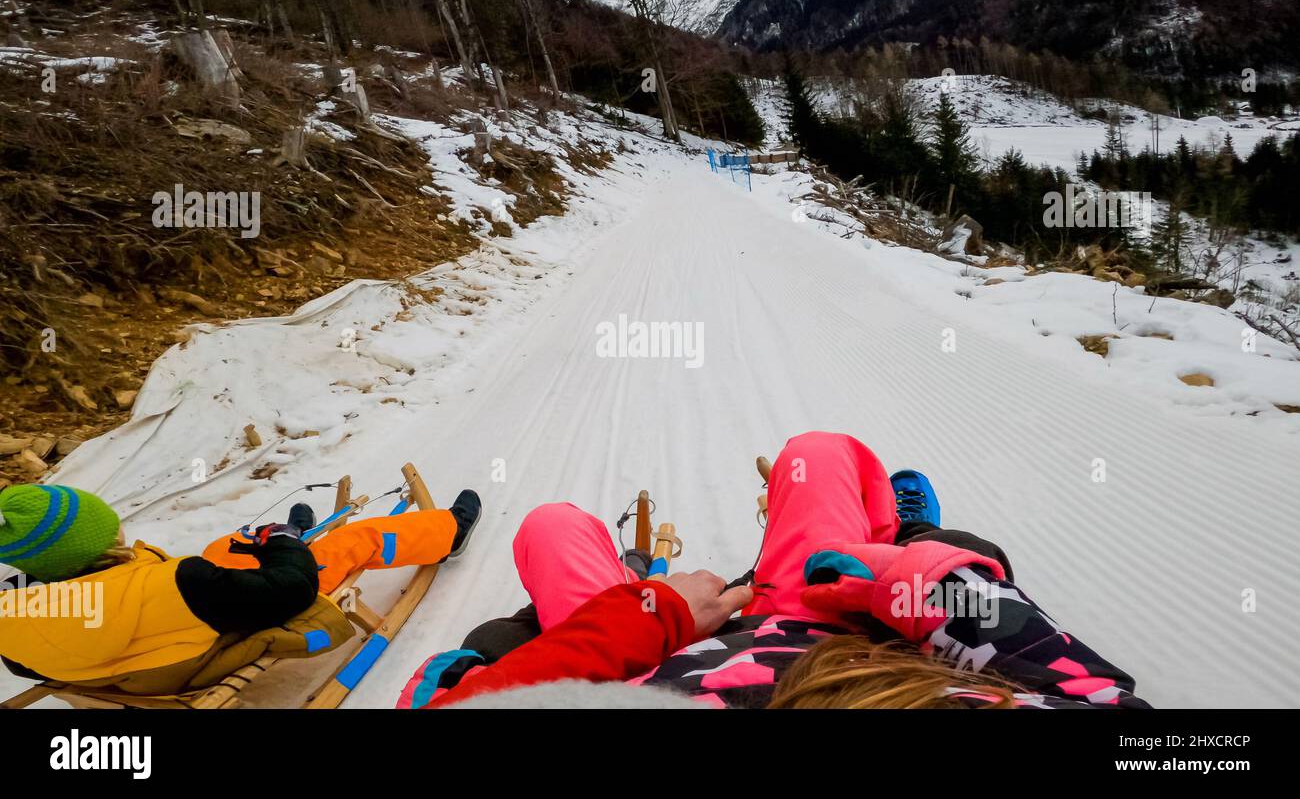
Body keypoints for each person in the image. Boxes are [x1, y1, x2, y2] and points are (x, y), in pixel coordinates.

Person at [401, 431, 1149, 709]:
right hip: (834, 631)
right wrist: (913, 584)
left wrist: (648, 613)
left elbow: (448, 695)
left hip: (616, 672)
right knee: (814, 454)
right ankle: (899, 527)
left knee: (549, 526)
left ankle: (900, 535)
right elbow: (1098, 692)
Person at [0, 483, 479, 695]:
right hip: (209, 642)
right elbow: (290, 591)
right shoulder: (181, 581)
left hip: (138, 655)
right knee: (354, 541)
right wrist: (289, 551)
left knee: (220, 546)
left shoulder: (16, 616)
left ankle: (276, 538)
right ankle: (447, 533)